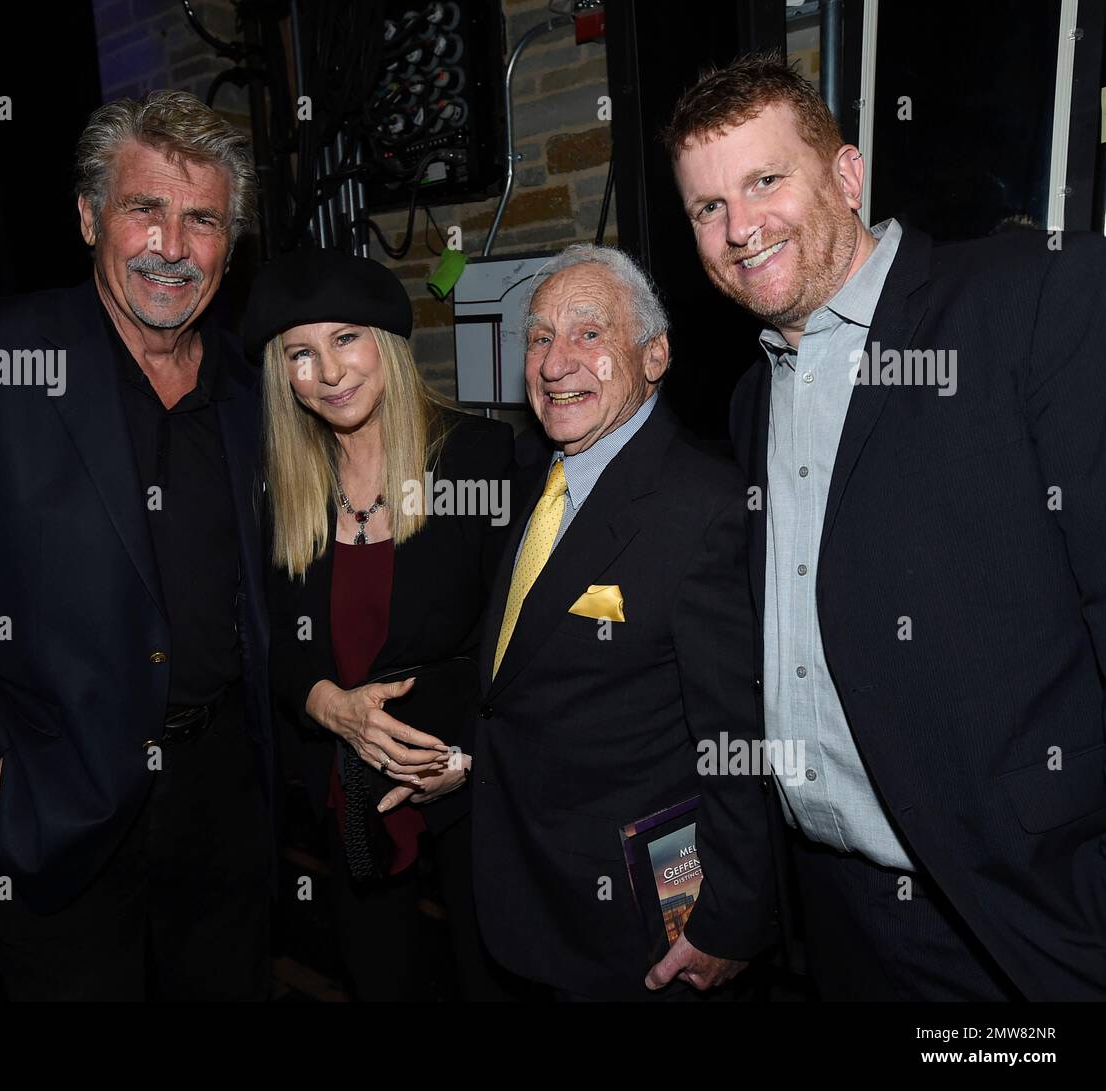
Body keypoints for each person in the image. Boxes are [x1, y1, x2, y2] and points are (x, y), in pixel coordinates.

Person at [666, 51, 1106, 1000]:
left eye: (765, 180)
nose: (740, 228)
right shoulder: (750, 399)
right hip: (839, 912)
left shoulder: (1024, 299)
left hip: (1027, 911)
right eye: (708, 207)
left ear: (848, 173)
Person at [0, 90, 275, 1000]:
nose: (173, 245)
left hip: (224, 799)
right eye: (146, 208)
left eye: (202, 219)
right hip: (58, 802)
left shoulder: (252, 391)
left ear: (228, 245)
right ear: (90, 215)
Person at [470, 243, 779, 1002]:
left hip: (638, 921)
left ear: (653, 354)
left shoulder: (703, 508)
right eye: (539, 336)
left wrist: (727, 918)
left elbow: (736, 737)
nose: (552, 361)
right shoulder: (525, 476)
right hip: (522, 882)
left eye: (587, 333)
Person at [253, 247, 521, 1000]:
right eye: (300, 354)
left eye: (346, 339)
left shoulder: (475, 458)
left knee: (491, 975)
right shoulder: (282, 487)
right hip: (348, 791)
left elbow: (516, 644)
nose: (329, 372)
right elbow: (272, 640)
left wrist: (464, 759)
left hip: (468, 788)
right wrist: (330, 708)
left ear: (388, 345)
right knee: (380, 978)